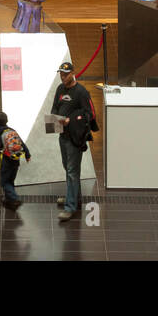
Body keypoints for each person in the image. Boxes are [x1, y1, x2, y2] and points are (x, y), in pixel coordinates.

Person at [51, 60, 95, 222]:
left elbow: (89, 115)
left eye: (66, 74)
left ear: (72, 73)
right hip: (62, 136)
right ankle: (74, 198)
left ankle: (70, 207)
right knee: (68, 169)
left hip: (75, 139)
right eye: (61, 74)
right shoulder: (60, 89)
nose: (63, 77)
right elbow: (55, 108)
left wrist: (70, 120)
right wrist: (56, 118)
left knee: (72, 171)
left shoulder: (81, 92)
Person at [0, 111, 32, 209]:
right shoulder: (12, 131)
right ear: (7, 121)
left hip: (6, 162)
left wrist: (2, 155)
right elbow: (21, 143)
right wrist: (27, 155)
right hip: (16, 160)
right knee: (10, 180)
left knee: (4, 182)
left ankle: (15, 199)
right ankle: (8, 200)